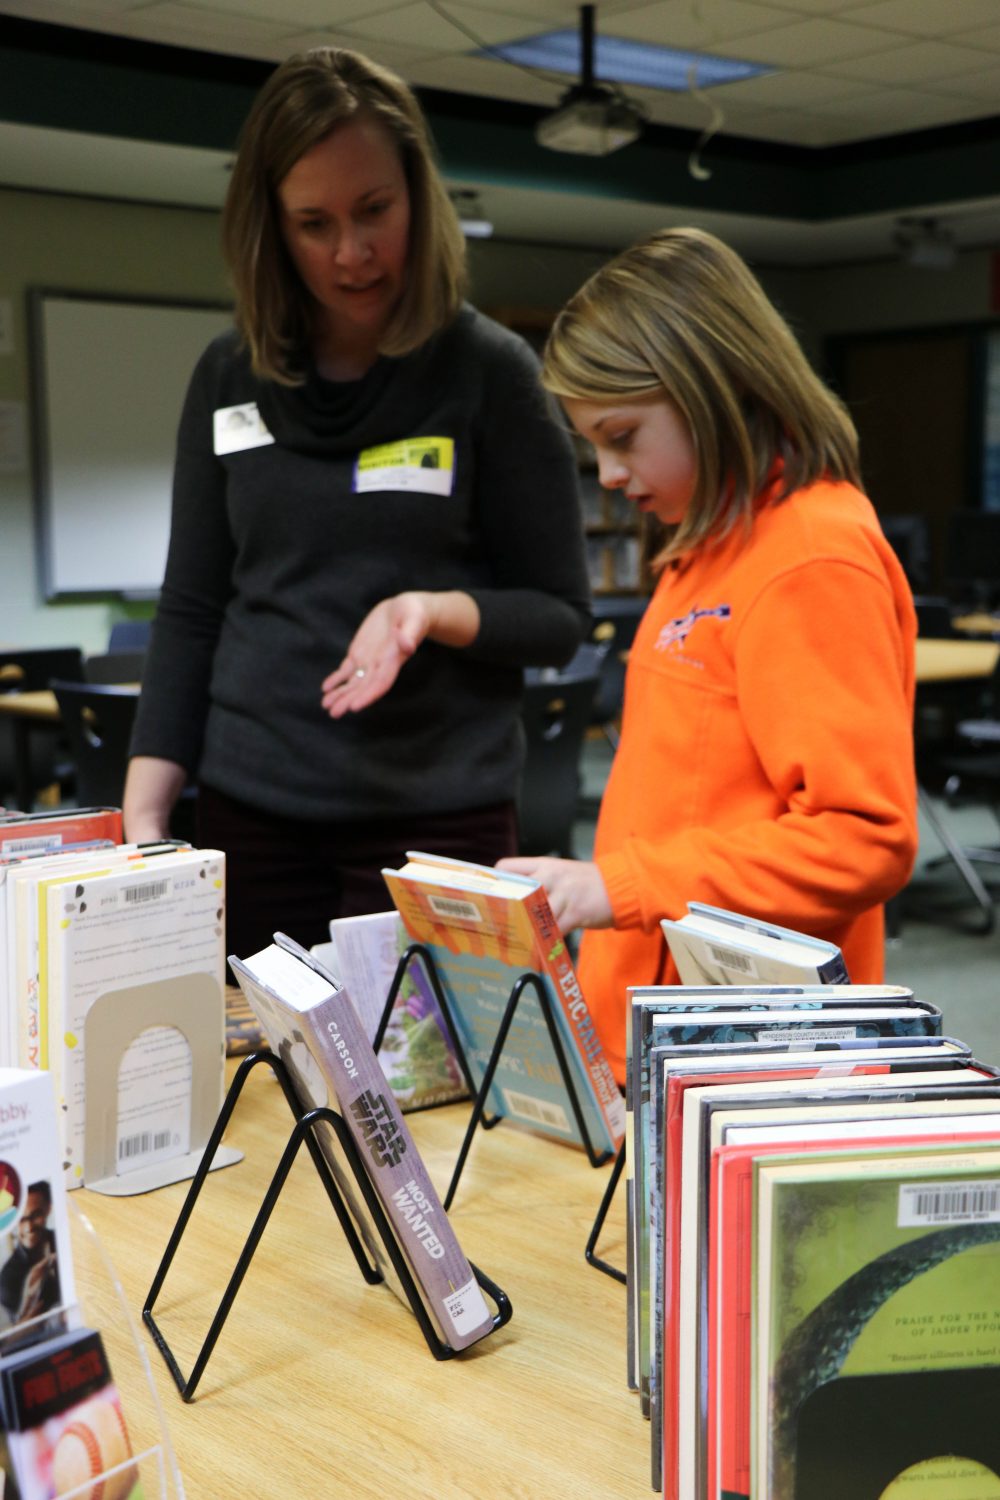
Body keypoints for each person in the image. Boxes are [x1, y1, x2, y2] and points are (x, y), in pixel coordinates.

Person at [124, 48, 589, 960]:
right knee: (266, 1090)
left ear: (417, 193)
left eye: (374, 209)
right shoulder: (228, 375)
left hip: (435, 825)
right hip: (250, 813)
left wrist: (431, 610)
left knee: (437, 1094)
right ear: (271, 228)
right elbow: (191, 608)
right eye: (314, 222)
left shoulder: (490, 373)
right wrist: (145, 820)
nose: (352, 251)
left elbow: (559, 618)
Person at [499, 228, 918, 1083]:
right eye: (594, 447)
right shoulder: (704, 545)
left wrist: (619, 887)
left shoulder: (811, 555)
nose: (609, 474)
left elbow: (864, 837)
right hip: (660, 1022)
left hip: (750, 1049)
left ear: (714, 388)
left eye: (622, 436)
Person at [0, 1181, 61, 1328]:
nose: (28, 1227)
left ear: (48, 1209)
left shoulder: (62, 1240)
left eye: (36, 1215)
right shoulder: (7, 1279)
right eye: (21, 1220)